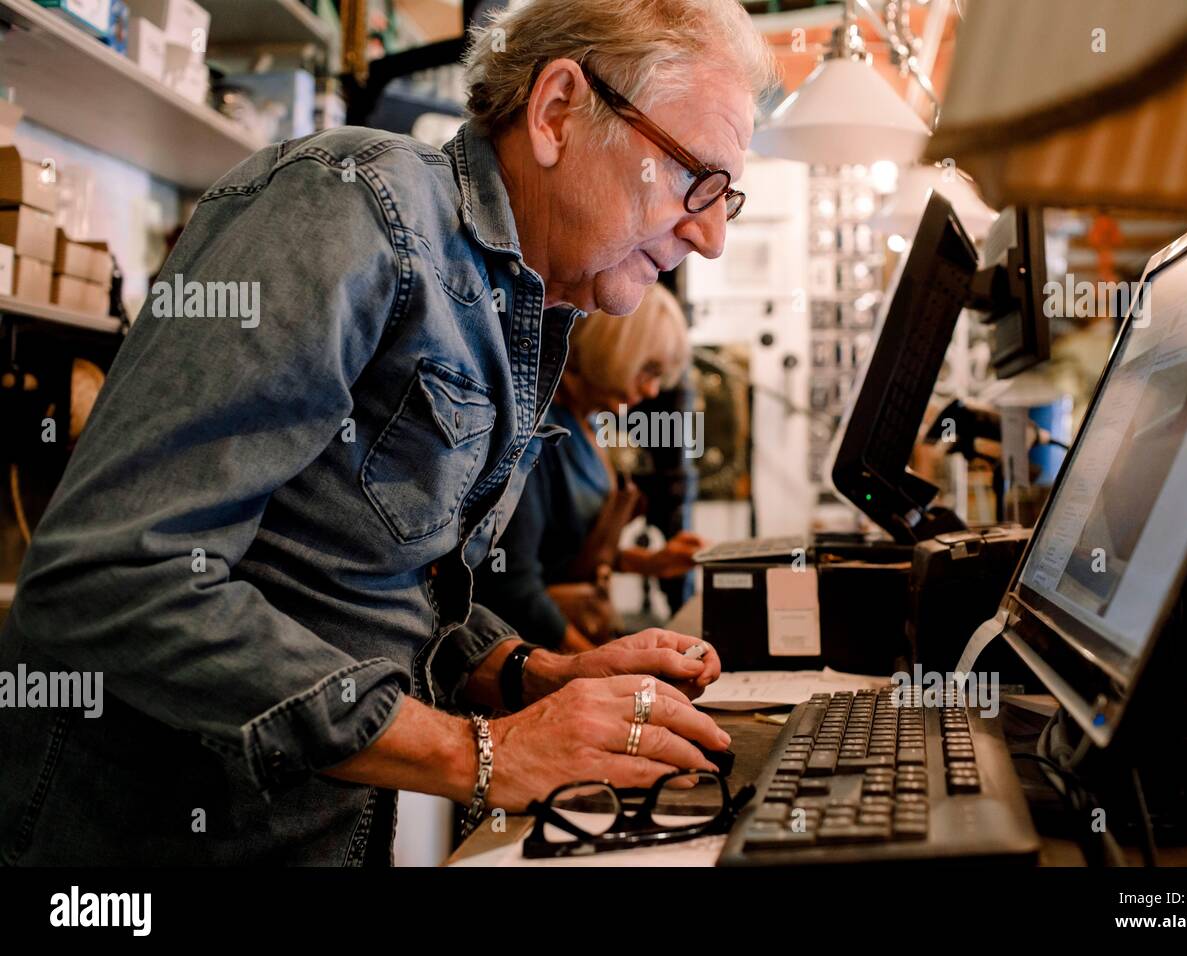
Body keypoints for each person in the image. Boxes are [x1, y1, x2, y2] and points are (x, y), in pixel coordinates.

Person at [0, 0, 776, 864]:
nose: (708, 237)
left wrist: (525, 673)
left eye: (727, 201)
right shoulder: (348, 209)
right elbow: (108, 576)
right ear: (559, 111)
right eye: (692, 179)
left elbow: (367, 585)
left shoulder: (517, 303)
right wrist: (487, 753)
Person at [478, 285, 704, 654]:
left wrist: (650, 564)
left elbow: (565, 547)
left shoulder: (587, 425)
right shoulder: (539, 432)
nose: (651, 391)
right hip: (533, 650)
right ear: (611, 350)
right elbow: (513, 587)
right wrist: (593, 664)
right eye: (647, 371)